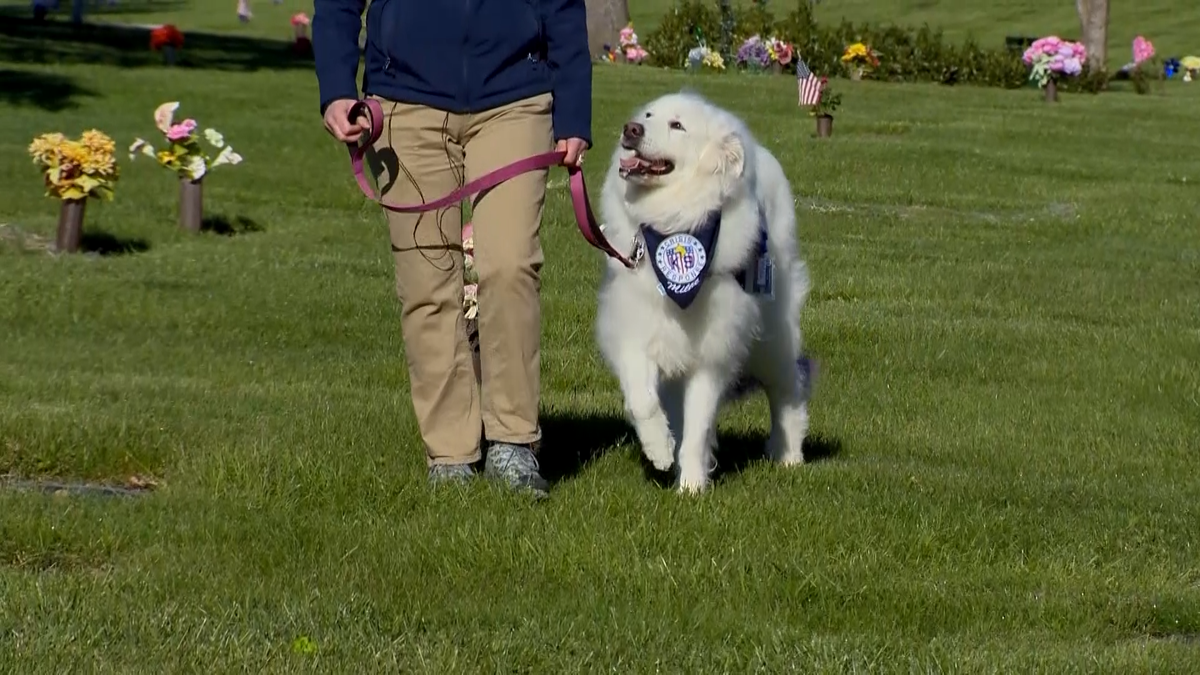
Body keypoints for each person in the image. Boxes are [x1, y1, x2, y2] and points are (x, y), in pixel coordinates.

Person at [312, 0, 592, 497]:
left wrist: (574, 110)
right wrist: (336, 88)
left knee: (509, 266)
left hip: (515, 97)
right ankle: (451, 453)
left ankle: (513, 442)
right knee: (427, 283)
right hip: (403, 102)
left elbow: (564, 5)